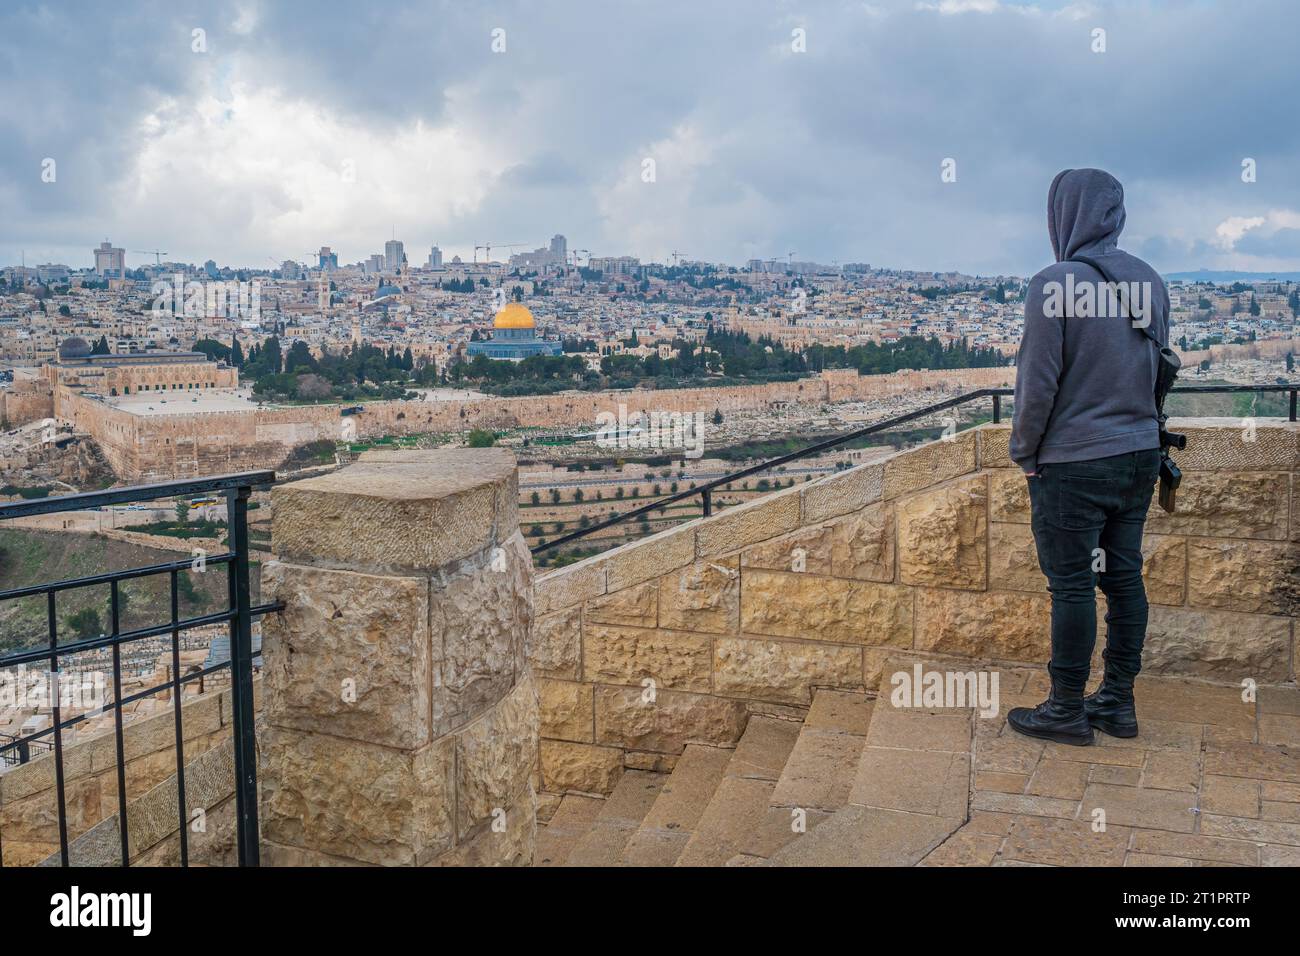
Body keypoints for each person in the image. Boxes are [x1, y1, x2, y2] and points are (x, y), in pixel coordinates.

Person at [1007, 168, 1169, 746]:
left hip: (1073, 463)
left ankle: (1066, 709)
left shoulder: (1054, 282)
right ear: (1115, 214)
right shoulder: (1149, 280)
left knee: (1072, 585)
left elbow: (1037, 384)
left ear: (1062, 215)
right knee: (1123, 579)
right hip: (1140, 453)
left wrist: (1024, 452)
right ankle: (1117, 705)